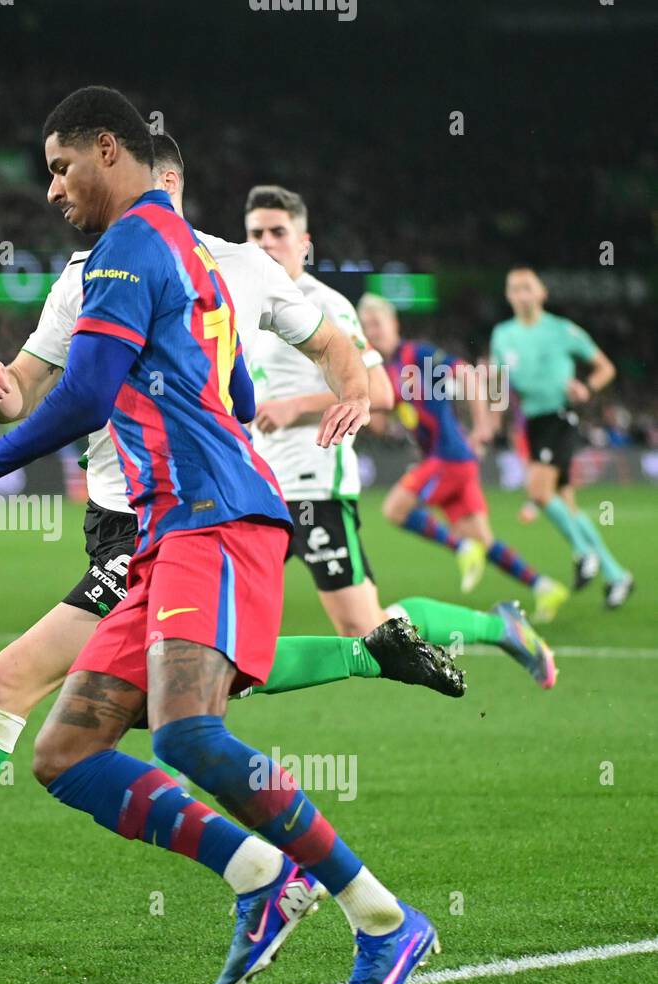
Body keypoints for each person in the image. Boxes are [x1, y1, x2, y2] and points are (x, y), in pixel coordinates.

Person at [0, 135, 462, 984]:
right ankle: (267, 863)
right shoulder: (168, 266)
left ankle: (380, 916)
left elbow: (96, 396)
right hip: (159, 523)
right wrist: (15, 388)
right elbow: (229, 394)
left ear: (129, 164)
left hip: (195, 515)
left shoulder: (146, 251)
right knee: (71, 748)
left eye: (64, 168)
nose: (55, 188)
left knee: (149, 717)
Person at [243, 185, 557, 687]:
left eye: (278, 232)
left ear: (304, 242)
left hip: (312, 487)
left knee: (368, 630)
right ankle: (186, 737)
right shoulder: (243, 305)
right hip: (256, 490)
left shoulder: (325, 306)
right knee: (220, 632)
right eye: (255, 232)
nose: (265, 242)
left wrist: (295, 407)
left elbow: (381, 390)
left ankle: (499, 627)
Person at [357, 292, 568, 621]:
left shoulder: (417, 354)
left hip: (449, 456)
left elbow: (467, 374)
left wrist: (484, 424)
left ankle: (460, 548)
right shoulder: (383, 370)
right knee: (484, 540)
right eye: (366, 325)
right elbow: (384, 422)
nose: (372, 330)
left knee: (395, 508)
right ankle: (544, 586)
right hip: (449, 460)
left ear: (393, 323)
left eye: (377, 322)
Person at [489, 267, 633, 608]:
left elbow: (605, 367)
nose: (521, 293)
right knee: (567, 507)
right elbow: (497, 384)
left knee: (538, 492)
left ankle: (584, 554)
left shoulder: (562, 330)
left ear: (542, 293)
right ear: (508, 297)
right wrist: (492, 424)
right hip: (534, 424)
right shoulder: (502, 334)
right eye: (514, 288)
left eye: (527, 287)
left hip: (560, 417)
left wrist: (587, 388)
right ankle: (616, 575)